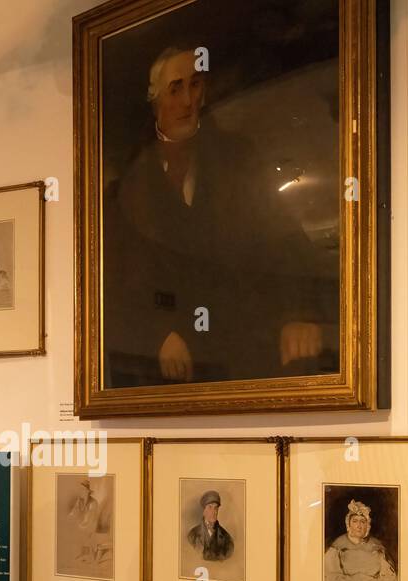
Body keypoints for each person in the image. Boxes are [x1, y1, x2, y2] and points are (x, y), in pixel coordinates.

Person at [101, 44, 335, 387]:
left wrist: (299, 316)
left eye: (195, 85)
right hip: (164, 370)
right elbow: (111, 284)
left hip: (242, 345)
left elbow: (284, 244)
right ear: (155, 100)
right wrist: (157, 336)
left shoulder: (237, 160)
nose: (186, 101)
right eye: (175, 88)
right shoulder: (129, 182)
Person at [323, 499, 397, 581]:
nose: (359, 526)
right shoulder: (337, 547)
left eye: (363, 521)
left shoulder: (377, 547)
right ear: (348, 524)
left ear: (368, 525)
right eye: (355, 521)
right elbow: (329, 578)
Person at [186, 489, 234, 561]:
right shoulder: (192, 535)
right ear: (203, 510)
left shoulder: (226, 538)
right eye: (210, 507)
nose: (213, 512)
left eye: (216, 508)